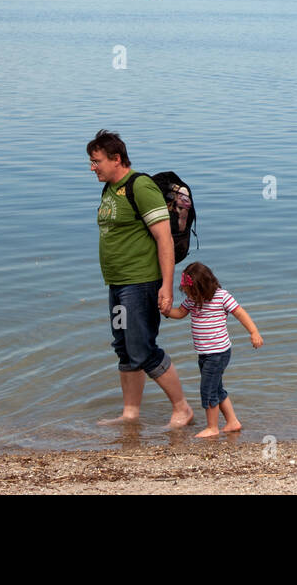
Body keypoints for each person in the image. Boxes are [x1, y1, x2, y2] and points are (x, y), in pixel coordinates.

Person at [88, 129, 194, 427]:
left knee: (143, 347)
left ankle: (182, 408)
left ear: (116, 158)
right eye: (91, 162)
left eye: (96, 161)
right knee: (123, 346)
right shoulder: (109, 188)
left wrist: (166, 286)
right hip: (118, 283)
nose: (92, 167)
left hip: (141, 282)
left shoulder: (141, 186)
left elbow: (164, 240)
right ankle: (130, 413)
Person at [164, 261, 263, 438]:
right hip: (204, 353)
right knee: (216, 388)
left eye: (192, 291)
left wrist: (254, 332)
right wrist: (165, 311)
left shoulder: (222, 296)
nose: (189, 295)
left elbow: (240, 313)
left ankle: (212, 427)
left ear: (203, 287)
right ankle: (233, 422)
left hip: (218, 353)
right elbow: (180, 313)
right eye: (187, 292)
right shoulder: (193, 300)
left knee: (207, 390)